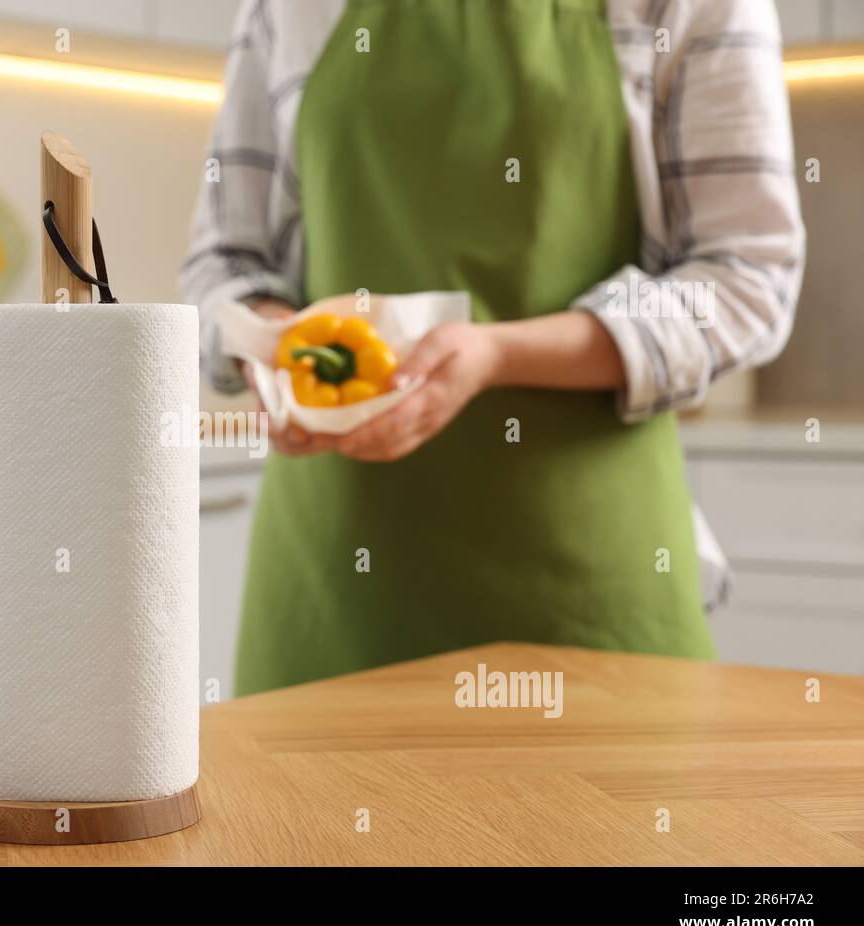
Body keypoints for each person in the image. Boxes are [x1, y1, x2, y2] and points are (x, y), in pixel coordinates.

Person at [181, 0, 805, 695]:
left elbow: (747, 272)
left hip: (591, 589)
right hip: (331, 590)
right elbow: (220, 262)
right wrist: (275, 345)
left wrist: (498, 353)